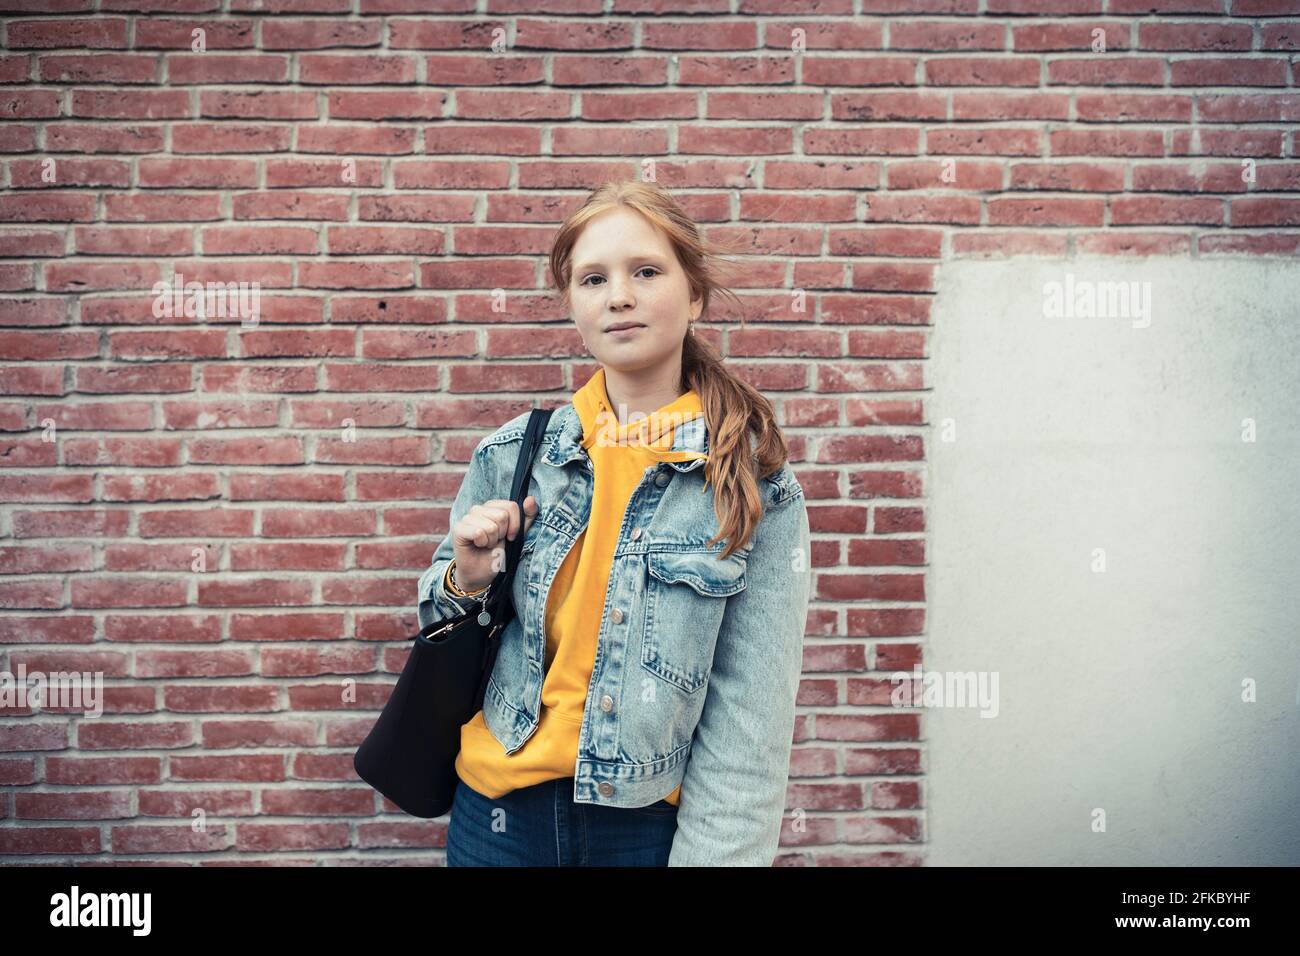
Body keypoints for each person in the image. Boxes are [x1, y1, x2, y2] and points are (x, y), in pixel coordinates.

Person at [417, 180, 812, 866]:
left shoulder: (752, 481)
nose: (619, 295)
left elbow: (752, 714)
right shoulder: (516, 455)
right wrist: (467, 575)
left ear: (695, 295)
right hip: (496, 821)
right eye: (593, 278)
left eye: (647, 272)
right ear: (572, 303)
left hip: (646, 833)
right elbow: (436, 615)